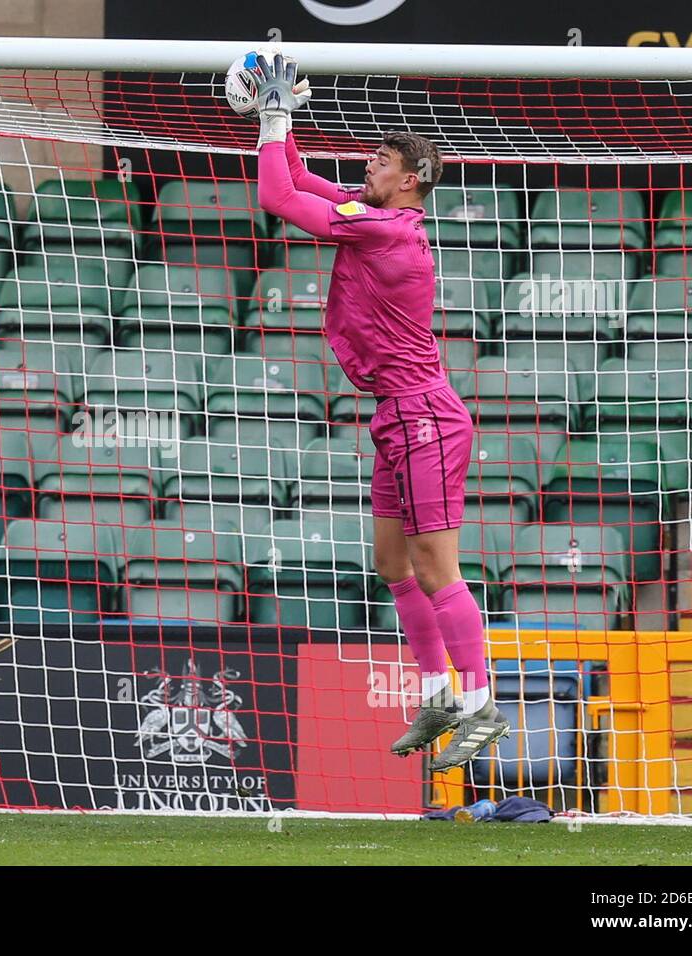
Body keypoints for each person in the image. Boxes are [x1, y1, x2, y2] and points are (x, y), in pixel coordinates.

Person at [249, 52, 509, 772]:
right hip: (400, 412)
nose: (369, 167)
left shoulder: (386, 231)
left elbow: (278, 200)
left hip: (425, 413)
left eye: (382, 161)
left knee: (435, 566)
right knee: (393, 562)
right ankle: (436, 693)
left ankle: (481, 704)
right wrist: (280, 124)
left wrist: (273, 118)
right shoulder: (377, 218)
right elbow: (299, 180)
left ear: (412, 180)